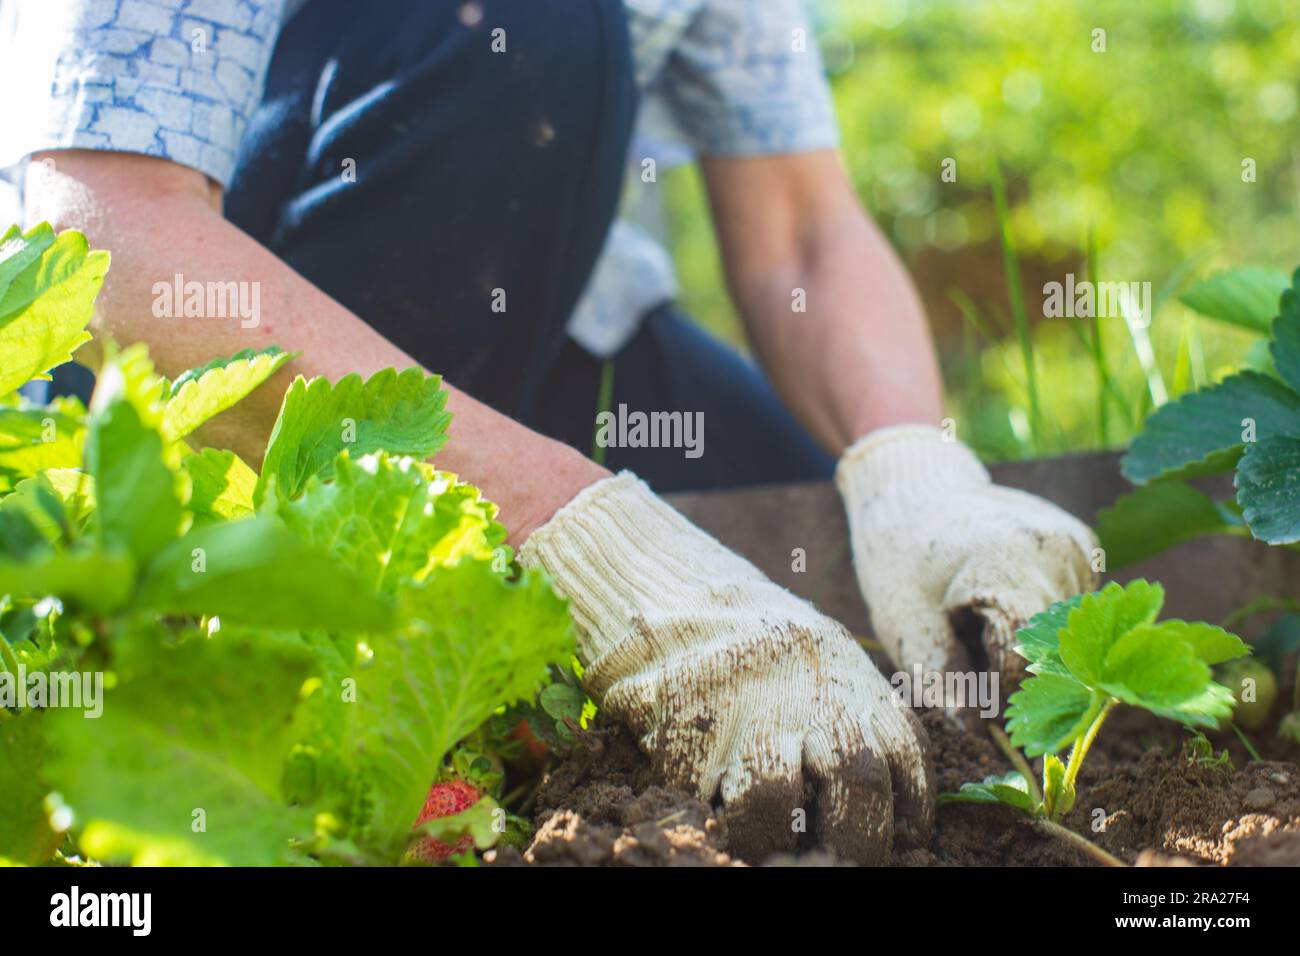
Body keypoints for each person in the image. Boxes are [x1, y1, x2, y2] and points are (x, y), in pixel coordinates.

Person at [0, 0, 1096, 863]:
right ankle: (263, 617)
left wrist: (912, 464)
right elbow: (109, 228)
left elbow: (802, 227)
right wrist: (582, 538)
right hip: (173, 370)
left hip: (554, 318)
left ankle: (499, 604)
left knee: (824, 598)